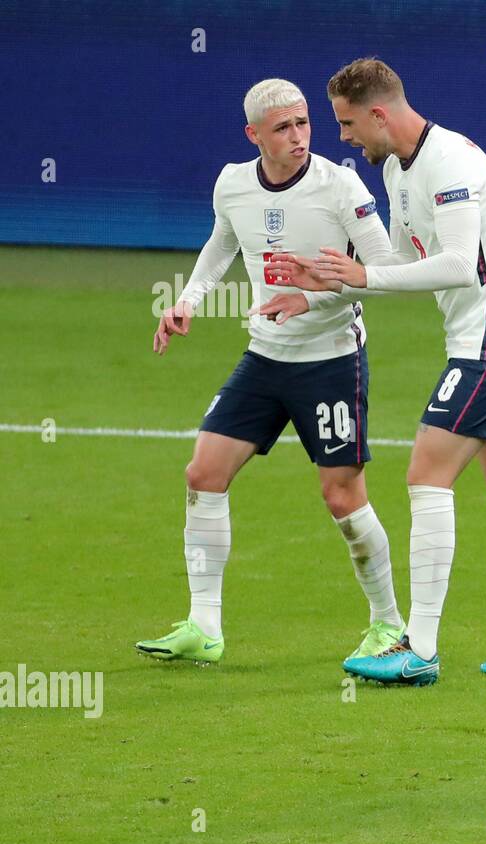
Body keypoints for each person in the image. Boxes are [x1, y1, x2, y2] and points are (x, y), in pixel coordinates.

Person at [260, 59, 486, 684]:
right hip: (485, 335)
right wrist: (322, 286)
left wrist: (364, 276)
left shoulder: (449, 164)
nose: (344, 138)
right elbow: (402, 264)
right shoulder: (402, 169)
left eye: (348, 124)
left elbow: (460, 265)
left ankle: (420, 652)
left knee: (426, 472)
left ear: (379, 113)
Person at [137, 79, 404, 666]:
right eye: (283, 128)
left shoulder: (341, 185)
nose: (299, 137)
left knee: (342, 497)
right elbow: (221, 243)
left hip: (331, 359)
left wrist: (308, 300)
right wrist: (189, 300)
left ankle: (389, 627)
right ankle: (204, 627)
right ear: (253, 135)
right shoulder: (233, 183)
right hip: (264, 357)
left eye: (304, 123)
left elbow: (381, 269)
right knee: (203, 472)